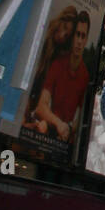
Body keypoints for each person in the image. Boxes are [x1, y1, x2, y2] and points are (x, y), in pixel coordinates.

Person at [32, 11, 91, 143]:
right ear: (72, 37)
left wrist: (69, 129)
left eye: (83, 36)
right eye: (77, 35)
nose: (79, 41)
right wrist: (59, 124)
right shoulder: (58, 64)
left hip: (65, 141)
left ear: (86, 39)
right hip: (45, 132)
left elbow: (81, 116)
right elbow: (41, 106)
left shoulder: (85, 75)